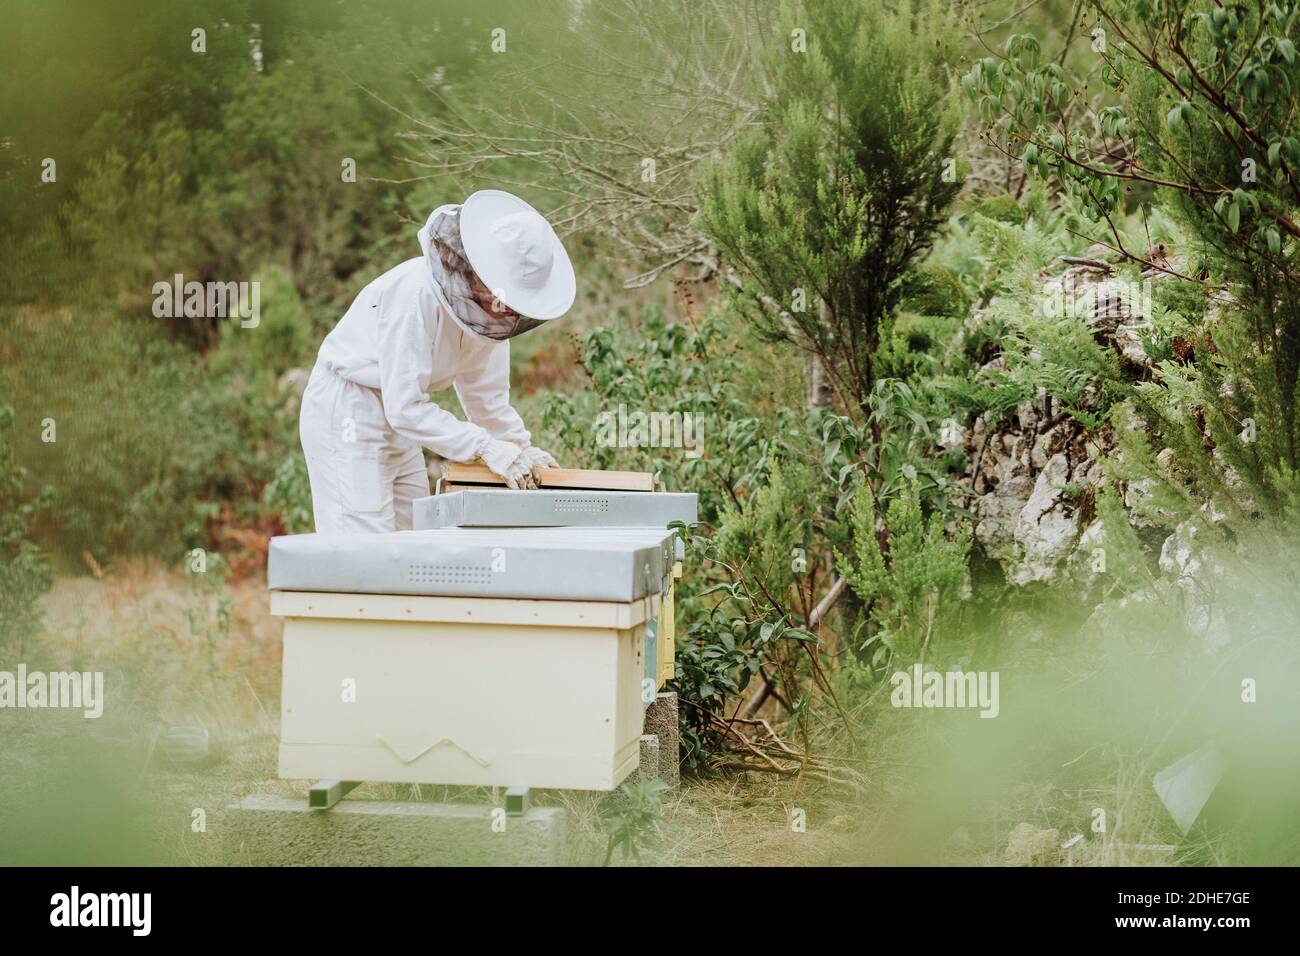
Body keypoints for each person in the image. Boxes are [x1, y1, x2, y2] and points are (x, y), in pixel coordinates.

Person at [299, 189, 574, 533]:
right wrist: (485, 447)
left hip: (401, 419)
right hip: (349, 408)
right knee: (363, 546)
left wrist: (520, 449)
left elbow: (486, 402)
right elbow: (406, 407)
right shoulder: (415, 298)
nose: (504, 307)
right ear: (477, 268)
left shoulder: (491, 321)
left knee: (415, 535)